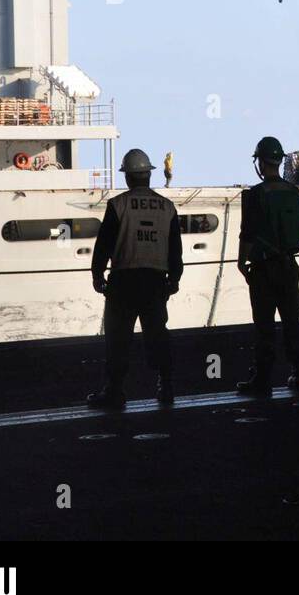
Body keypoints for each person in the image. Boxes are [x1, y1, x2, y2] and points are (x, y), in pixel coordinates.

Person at [87, 148, 183, 409]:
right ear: (148, 176)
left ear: (128, 177)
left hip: (123, 282)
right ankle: (166, 386)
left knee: (118, 339)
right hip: (155, 281)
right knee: (157, 335)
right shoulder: (167, 207)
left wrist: (97, 275)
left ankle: (114, 392)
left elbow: (104, 244)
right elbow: (175, 249)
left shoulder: (117, 205)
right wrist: (174, 279)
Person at [235, 136, 299, 397]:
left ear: (260, 161)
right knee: (293, 322)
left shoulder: (255, 195)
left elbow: (247, 233)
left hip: (264, 270)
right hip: (290, 267)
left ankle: (263, 379)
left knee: (265, 327)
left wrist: (241, 262)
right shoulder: (294, 192)